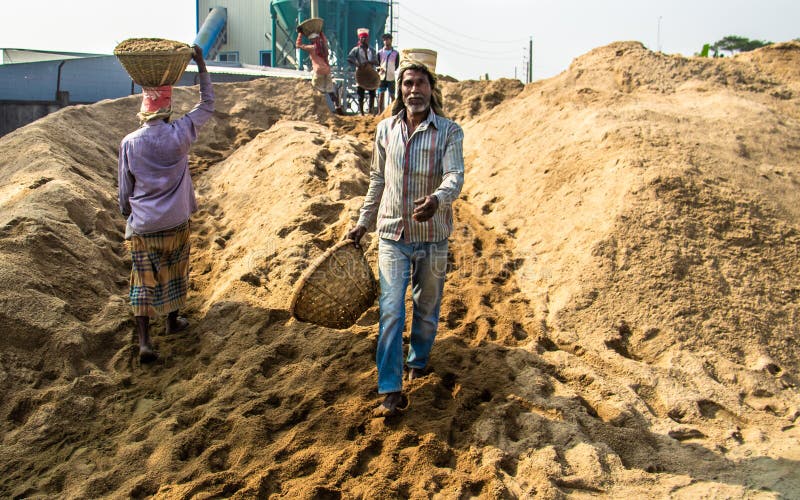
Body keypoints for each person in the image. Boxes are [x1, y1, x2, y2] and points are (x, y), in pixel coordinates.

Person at [346, 51, 464, 417]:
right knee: (392, 310)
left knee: (426, 309)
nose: (414, 90)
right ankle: (390, 389)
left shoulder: (449, 131)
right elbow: (378, 180)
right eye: (408, 83)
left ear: (431, 88)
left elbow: (454, 176)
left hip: (433, 235)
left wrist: (438, 199)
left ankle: (419, 358)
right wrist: (363, 223)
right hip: (392, 234)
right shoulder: (385, 130)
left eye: (421, 83)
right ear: (399, 89)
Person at [118, 45, 214, 363]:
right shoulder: (181, 133)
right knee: (175, 270)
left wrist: (127, 214)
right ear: (167, 110)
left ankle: (145, 342)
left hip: (144, 225)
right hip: (175, 220)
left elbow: (125, 189)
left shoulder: (129, 142)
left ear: (144, 111)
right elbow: (208, 102)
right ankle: (172, 322)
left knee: (142, 280)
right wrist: (200, 63)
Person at [296, 26, 344, 115]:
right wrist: (321, 32)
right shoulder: (324, 46)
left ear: (312, 40)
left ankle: (316, 110)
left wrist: (300, 34)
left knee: (314, 89)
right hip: (327, 71)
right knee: (330, 90)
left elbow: (298, 45)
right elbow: (325, 40)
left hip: (318, 72)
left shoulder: (312, 48)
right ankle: (337, 106)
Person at [347, 28, 379, 115]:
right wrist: (357, 64)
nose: (363, 39)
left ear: (368, 39)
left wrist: (369, 62)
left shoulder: (372, 50)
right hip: (360, 74)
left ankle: (370, 111)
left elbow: (376, 62)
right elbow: (349, 58)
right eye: (362, 38)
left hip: (370, 73)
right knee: (360, 94)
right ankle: (361, 112)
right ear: (359, 39)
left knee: (372, 93)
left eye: (365, 38)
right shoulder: (356, 50)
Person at [376, 33, 399, 114]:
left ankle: (394, 112)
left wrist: (391, 69)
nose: (386, 41)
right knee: (381, 94)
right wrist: (380, 69)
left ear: (391, 40)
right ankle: (380, 112)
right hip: (382, 76)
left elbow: (396, 65)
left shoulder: (395, 53)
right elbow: (377, 64)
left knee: (392, 95)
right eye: (384, 40)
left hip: (391, 76)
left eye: (387, 39)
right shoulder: (380, 53)